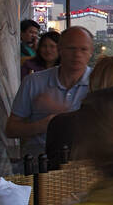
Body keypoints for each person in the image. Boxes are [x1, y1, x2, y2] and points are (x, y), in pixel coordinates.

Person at [5, 25, 94, 156]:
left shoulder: (99, 83)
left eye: (83, 49)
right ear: (60, 50)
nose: (77, 54)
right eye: (71, 48)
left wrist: (58, 110)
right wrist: (41, 126)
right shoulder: (33, 82)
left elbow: (108, 129)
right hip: (40, 158)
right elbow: (10, 130)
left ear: (91, 52)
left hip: (83, 159)